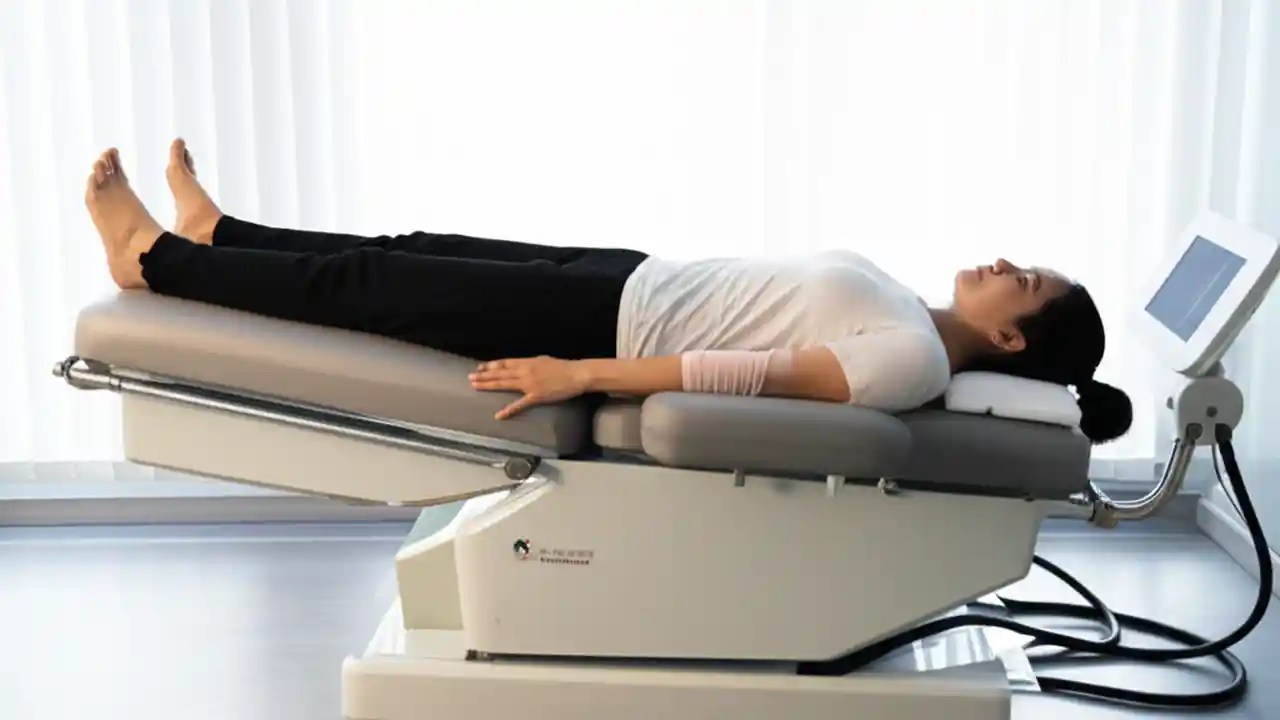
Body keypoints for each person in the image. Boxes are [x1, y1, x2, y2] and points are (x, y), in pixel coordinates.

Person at [83, 142, 1131, 441]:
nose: (1004, 263)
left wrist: (577, 371)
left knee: (377, 287)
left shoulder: (908, 358)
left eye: (1024, 282)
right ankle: (223, 235)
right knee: (408, 248)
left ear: (1008, 340)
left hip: (596, 324)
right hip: (630, 278)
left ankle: (156, 264)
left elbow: (746, 374)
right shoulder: (912, 309)